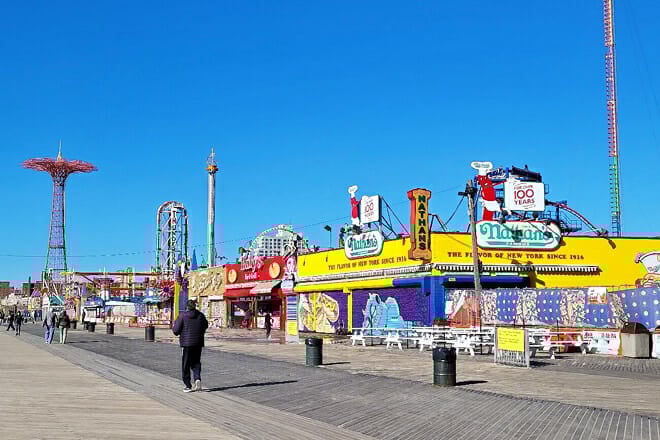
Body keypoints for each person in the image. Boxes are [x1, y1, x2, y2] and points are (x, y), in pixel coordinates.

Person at [172, 300, 208, 393]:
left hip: (186, 344)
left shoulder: (182, 316)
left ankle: (188, 385)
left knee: (186, 364)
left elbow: (176, 331)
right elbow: (205, 325)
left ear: (187, 307)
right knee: (196, 362)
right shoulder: (200, 315)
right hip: (198, 343)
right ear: (195, 306)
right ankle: (197, 379)